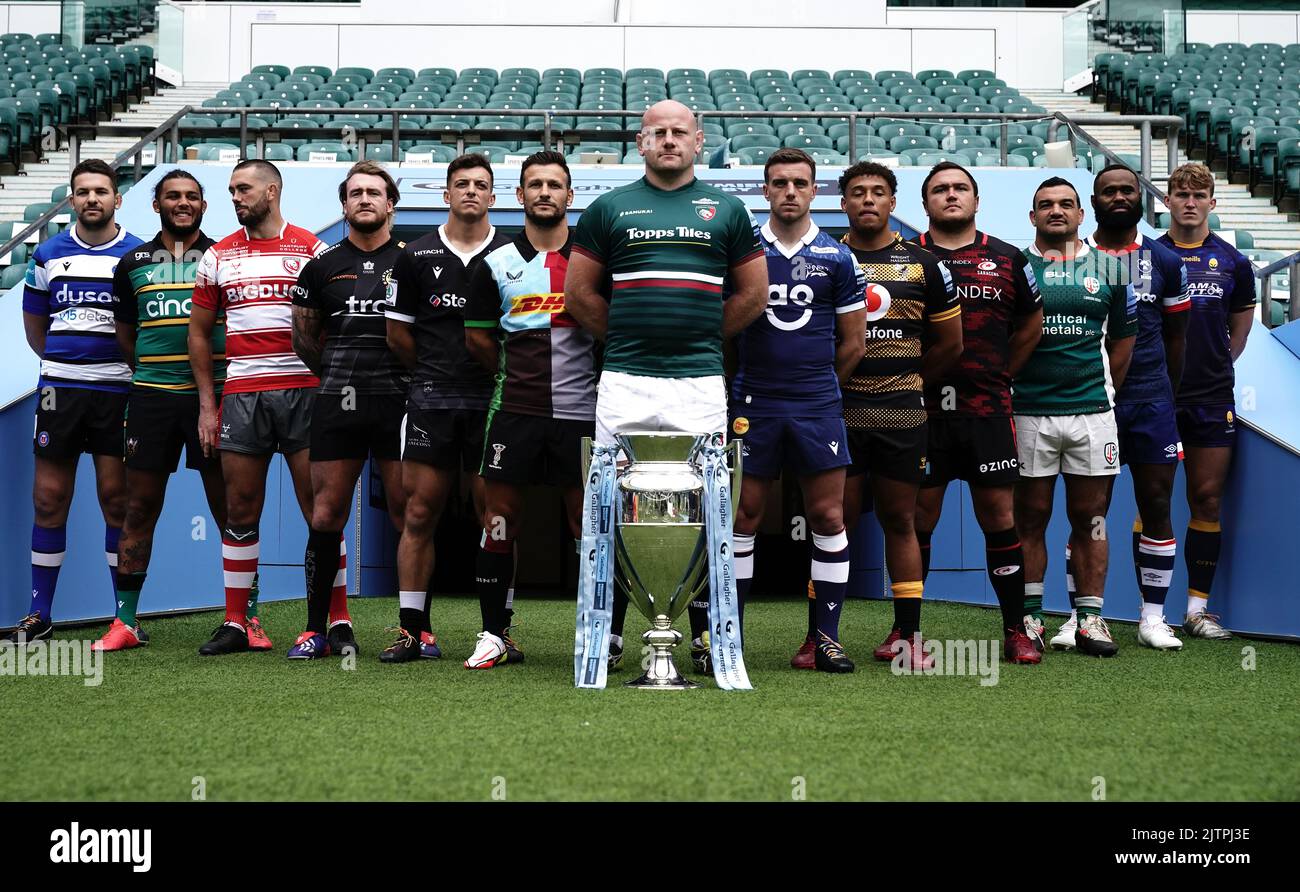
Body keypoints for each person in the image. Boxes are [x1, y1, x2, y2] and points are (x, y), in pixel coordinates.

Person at [564, 99, 768, 673]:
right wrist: (633, 338)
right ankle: (606, 638)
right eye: (659, 133)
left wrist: (696, 337)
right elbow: (580, 296)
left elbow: (752, 297)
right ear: (640, 142)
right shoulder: (610, 209)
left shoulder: (727, 210)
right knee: (608, 506)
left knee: (706, 510)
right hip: (624, 380)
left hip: (700, 381)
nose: (670, 141)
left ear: (699, 141)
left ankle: (709, 640)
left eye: (680, 132)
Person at [728, 148, 865, 673]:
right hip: (753, 403)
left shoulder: (838, 257)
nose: (789, 191)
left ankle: (824, 639)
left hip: (816, 404)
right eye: (779, 183)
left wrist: (819, 390)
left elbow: (853, 345)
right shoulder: (743, 252)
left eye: (799, 183)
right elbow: (726, 336)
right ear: (765, 191)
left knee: (829, 516)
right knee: (743, 517)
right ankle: (729, 637)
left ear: (814, 191)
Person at [189, 159, 330, 656]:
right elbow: (199, 334)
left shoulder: (313, 247)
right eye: (230, 190)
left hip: (305, 391)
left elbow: (332, 321)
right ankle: (239, 622)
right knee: (240, 509)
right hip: (242, 394)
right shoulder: (217, 255)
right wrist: (209, 406)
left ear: (272, 191)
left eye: (243, 188)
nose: (235, 197)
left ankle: (334, 622)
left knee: (321, 510)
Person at [462, 150, 596, 669]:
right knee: (499, 521)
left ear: (569, 195)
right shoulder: (493, 264)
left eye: (554, 185)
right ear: (519, 196)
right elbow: (478, 341)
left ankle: (599, 633)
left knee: (590, 525)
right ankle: (495, 633)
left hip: (583, 414)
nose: (545, 192)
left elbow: (608, 337)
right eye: (535, 184)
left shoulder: (591, 262)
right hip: (514, 411)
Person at [910, 162, 1045, 663]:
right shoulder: (906, 258)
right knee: (918, 520)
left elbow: (1032, 319)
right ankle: (907, 632)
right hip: (922, 413)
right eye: (940, 190)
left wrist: (1003, 372)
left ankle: (1016, 629)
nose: (951, 195)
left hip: (987, 411)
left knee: (999, 518)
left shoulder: (1007, 257)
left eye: (960, 188)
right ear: (925, 203)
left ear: (976, 199)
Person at [383, 153, 511, 662]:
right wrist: (436, 375)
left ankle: (498, 632)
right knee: (418, 513)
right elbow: (398, 336)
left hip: (495, 402)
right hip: (432, 401)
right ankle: (413, 631)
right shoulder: (413, 256)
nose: (471, 192)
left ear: (494, 197)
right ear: (446, 194)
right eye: (462, 184)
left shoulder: (511, 253)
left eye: (481, 185)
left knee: (496, 517)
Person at [837, 161, 962, 670]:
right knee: (832, 525)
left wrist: (907, 384)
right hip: (839, 415)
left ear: (893, 202)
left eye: (878, 193)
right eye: (858, 193)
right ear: (844, 202)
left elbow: (950, 345)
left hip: (902, 416)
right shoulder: (827, 259)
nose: (868, 200)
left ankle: (906, 636)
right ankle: (821, 635)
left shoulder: (925, 264)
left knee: (900, 521)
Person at [13, 159, 143, 643]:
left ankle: (122, 618)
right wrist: (66, 363)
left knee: (116, 500)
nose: (93, 199)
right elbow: (35, 328)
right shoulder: (47, 254)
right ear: (71, 200)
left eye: (101, 191)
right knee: (49, 500)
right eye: (83, 192)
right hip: (60, 388)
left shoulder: (136, 255)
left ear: (117, 199)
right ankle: (39, 614)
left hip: (117, 388)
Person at [95, 170, 224, 651]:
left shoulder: (221, 256)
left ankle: (243, 616)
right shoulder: (131, 263)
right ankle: (125, 621)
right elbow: (126, 337)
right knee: (140, 507)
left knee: (229, 507)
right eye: (173, 196)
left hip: (213, 397)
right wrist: (154, 373)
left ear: (204, 206)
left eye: (192, 196)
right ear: (157, 205)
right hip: (151, 398)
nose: (183, 203)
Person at [286, 161, 409, 659]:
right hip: (338, 402)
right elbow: (304, 339)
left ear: (390, 205)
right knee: (326, 513)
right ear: (344, 205)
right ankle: (317, 628)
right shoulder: (319, 266)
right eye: (355, 192)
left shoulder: (415, 260)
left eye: (374, 193)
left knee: (409, 515)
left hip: (400, 403)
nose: (364, 199)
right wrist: (342, 374)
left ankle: (413, 629)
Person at [1014, 177, 1136, 658]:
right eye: (1045, 205)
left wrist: (1101, 394)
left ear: (1082, 214)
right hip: (1027, 411)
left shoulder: (1110, 267)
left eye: (1066, 204)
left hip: (1092, 415)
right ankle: (1030, 618)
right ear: (1033, 216)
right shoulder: (1015, 265)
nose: (1056, 212)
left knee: (1093, 519)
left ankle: (1089, 619)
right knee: (1030, 518)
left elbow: (1122, 345)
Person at [1086, 163, 1190, 651]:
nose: (1120, 196)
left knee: (1156, 506)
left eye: (1128, 189)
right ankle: (1086, 617)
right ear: (1095, 201)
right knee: (1092, 511)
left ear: (1141, 199)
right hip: (1087, 400)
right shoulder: (1070, 257)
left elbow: (1176, 336)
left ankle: (1153, 617)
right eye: (1110, 191)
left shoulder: (1165, 260)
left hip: (1150, 400)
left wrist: (1164, 390)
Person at [1158, 162, 1255, 641]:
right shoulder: (1149, 256)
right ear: (1168, 201)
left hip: (1212, 395)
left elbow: (1241, 319)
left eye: (1199, 195)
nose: (1190, 202)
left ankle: (1198, 610)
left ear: (1212, 204)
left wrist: (1220, 361)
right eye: (1181, 194)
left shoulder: (1233, 261)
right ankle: (1150, 611)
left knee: (1207, 497)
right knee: (1153, 500)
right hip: (1157, 394)